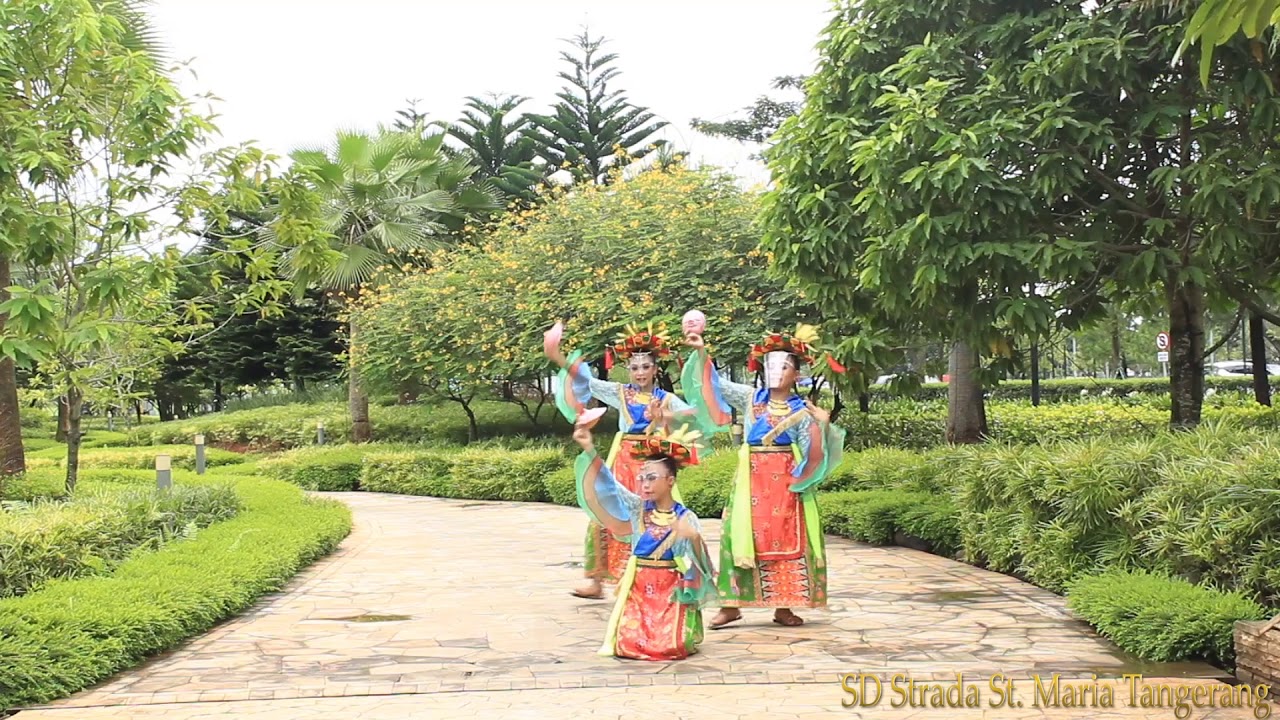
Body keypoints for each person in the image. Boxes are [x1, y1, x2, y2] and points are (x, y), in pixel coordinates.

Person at [680, 322, 845, 628]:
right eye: (770, 365)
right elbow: (713, 385)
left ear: (796, 374)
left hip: (785, 482)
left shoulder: (801, 410)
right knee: (737, 535)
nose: (775, 371)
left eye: (784, 366)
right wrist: (702, 351)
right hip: (749, 482)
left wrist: (822, 424)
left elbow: (813, 454)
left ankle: (784, 605)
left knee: (786, 539)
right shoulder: (750, 398)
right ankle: (731, 604)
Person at [545, 321, 697, 600]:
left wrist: (664, 417)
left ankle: (639, 575)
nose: (640, 372)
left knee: (650, 518)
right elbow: (586, 380)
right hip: (623, 461)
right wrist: (558, 357)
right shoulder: (620, 393)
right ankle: (595, 579)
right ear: (628, 369)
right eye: (635, 367)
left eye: (646, 366)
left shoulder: (665, 398)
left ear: (656, 369)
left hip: (653, 464)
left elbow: (692, 414)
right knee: (604, 514)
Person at [571, 415, 715, 660]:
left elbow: (704, 567)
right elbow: (610, 484)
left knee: (672, 646)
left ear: (670, 481)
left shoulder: (685, 518)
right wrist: (589, 448)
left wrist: (693, 539)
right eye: (642, 478)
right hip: (638, 586)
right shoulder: (638, 508)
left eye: (652, 478)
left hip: (670, 589)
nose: (645, 484)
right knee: (628, 644)